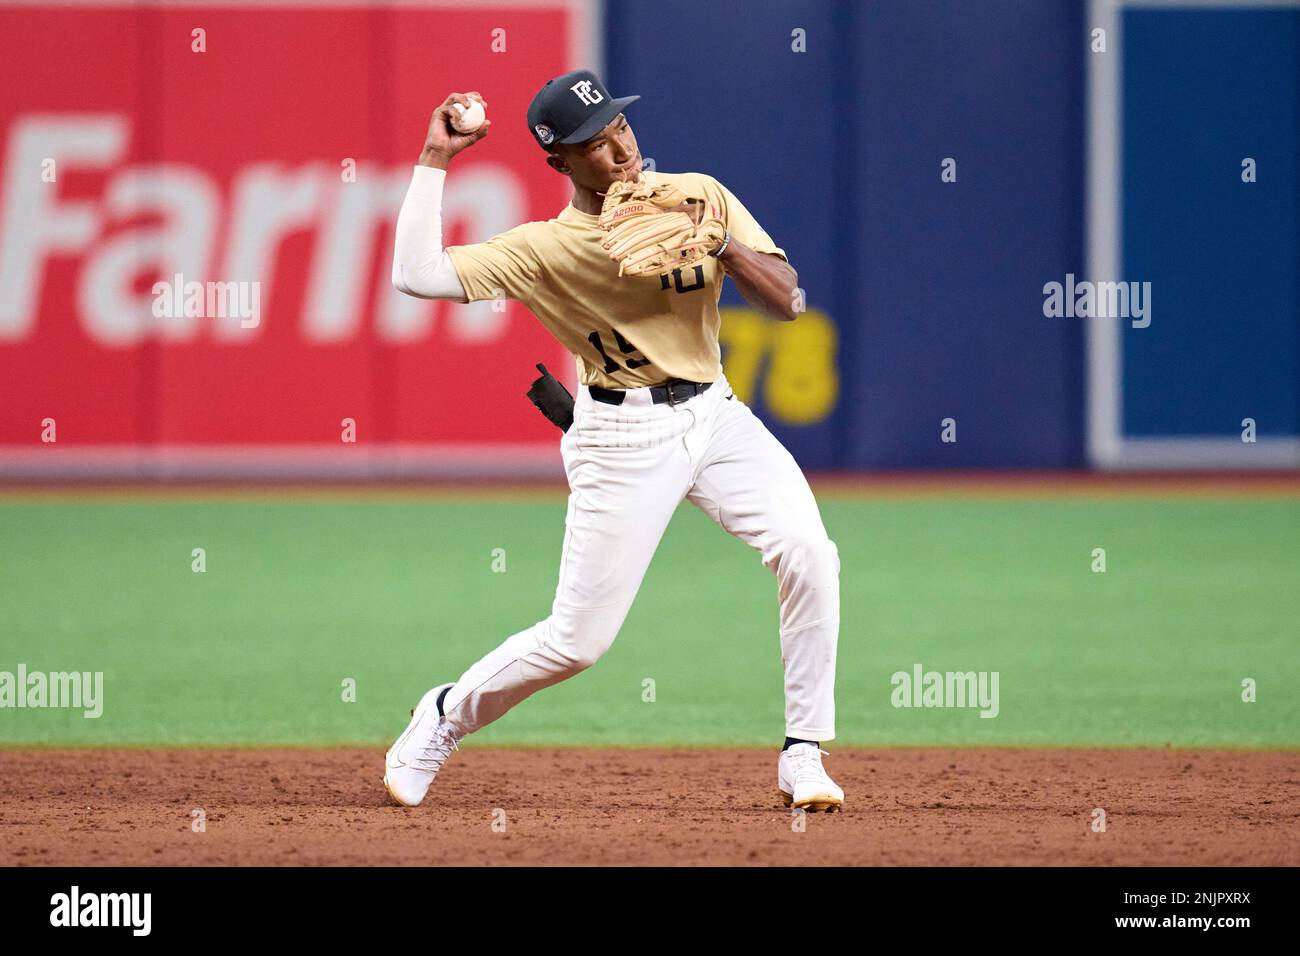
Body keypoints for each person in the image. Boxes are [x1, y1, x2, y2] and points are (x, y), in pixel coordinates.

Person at [385, 69, 844, 812]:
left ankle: (803, 753)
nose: (619, 150)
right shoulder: (543, 249)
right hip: (620, 437)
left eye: (620, 129)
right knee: (577, 642)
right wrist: (436, 159)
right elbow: (415, 275)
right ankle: (443, 715)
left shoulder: (698, 195)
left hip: (717, 413)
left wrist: (724, 245)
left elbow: (788, 299)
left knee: (810, 553)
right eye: (593, 145)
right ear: (559, 163)